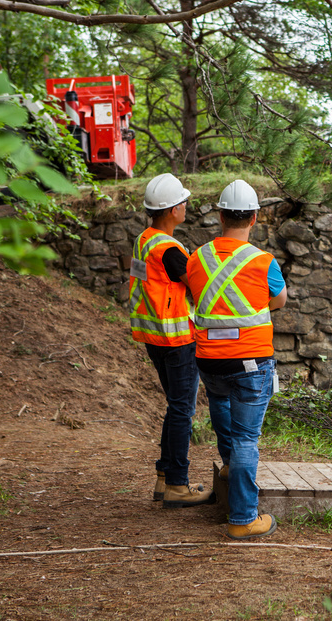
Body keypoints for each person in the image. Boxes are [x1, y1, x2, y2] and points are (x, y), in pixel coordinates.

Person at [185, 179, 287, 539]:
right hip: (250, 361)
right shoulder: (263, 261)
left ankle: (229, 466)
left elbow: (197, 295)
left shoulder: (196, 258)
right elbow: (278, 301)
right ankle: (243, 519)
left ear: (220, 215)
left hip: (209, 359)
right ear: (255, 217)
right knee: (247, 438)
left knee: (220, 407)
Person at [130, 174, 214, 509]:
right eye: (182, 202)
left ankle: (165, 477)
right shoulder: (169, 249)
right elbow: (198, 286)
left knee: (175, 406)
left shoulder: (145, 239)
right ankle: (178, 484)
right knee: (182, 409)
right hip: (177, 338)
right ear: (171, 210)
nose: (186, 206)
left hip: (154, 336)